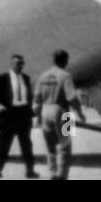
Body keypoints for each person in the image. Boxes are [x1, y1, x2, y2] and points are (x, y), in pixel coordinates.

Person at [33, 49, 83, 180]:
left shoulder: (43, 76)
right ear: (65, 61)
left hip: (45, 111)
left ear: (53, 60)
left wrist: (38, 117)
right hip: (63, 112)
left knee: (50, 147)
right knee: (65, 146)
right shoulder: (65, 75)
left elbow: (36, 100)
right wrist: (80, 113)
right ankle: (62, 176)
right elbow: (72, 97)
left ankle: (52, 173)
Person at [0, 54, 38, 179]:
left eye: (22, 63)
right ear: (11, 64)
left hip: (23, 115)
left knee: (27, 145)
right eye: (18, 63)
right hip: (8, 115)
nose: (21, 66)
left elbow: (29, 96)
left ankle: (30, 171)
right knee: (4, 145)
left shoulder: (26, 78)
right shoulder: (3, 78)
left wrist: (30, 109)